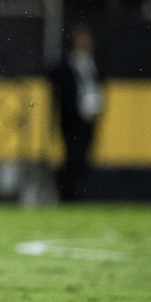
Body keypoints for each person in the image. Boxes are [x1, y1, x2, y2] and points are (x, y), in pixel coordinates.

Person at [51, 25, 103, 201]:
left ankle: (81, 194)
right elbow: (61, 92)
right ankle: (68, 195)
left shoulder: (92, 64)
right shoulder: (67, 65)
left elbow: (98, 87)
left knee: (84, 158)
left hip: (89, 120)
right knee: (72, 157)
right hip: (71, 120)